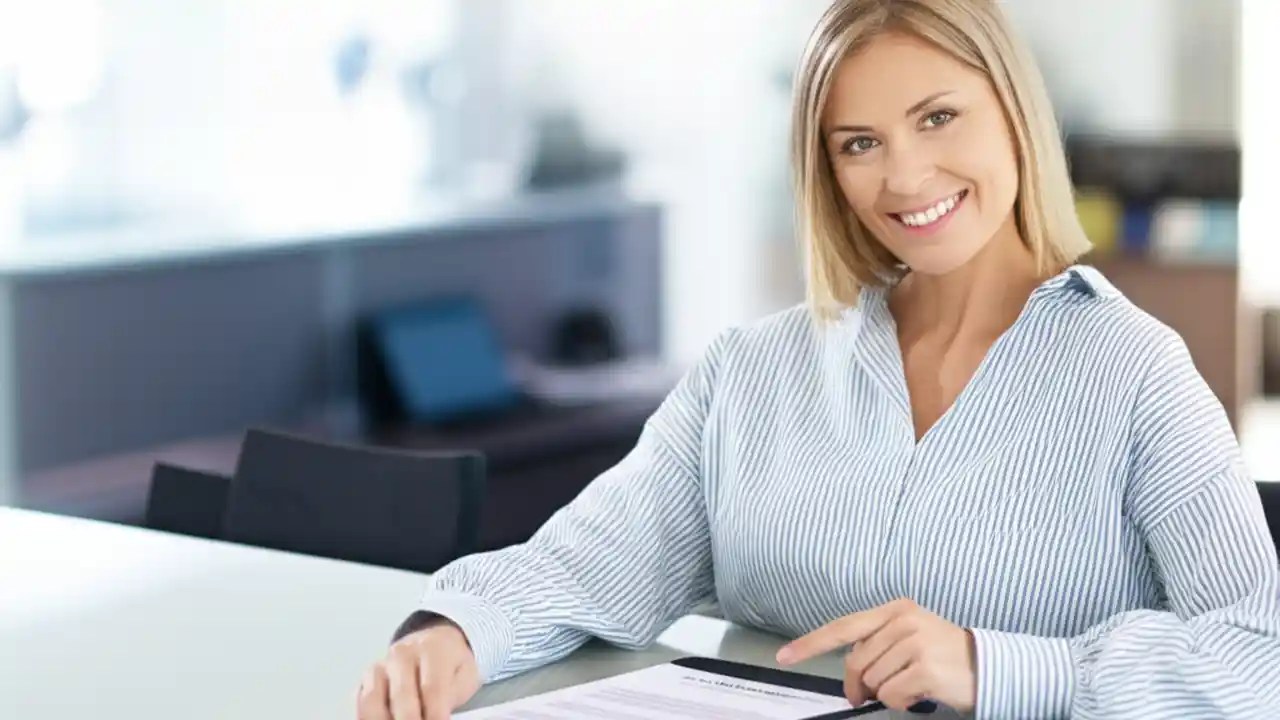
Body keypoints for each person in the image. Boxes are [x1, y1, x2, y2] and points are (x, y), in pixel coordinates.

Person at [356, 1, 1280, 718]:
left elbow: (1259, 659)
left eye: (939, 117)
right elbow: (585, 564)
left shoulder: (1135, 374)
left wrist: (994, 663)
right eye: (860, 144)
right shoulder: (752, 369)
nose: (906, 177)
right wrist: (456, 632)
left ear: (1014, 111)